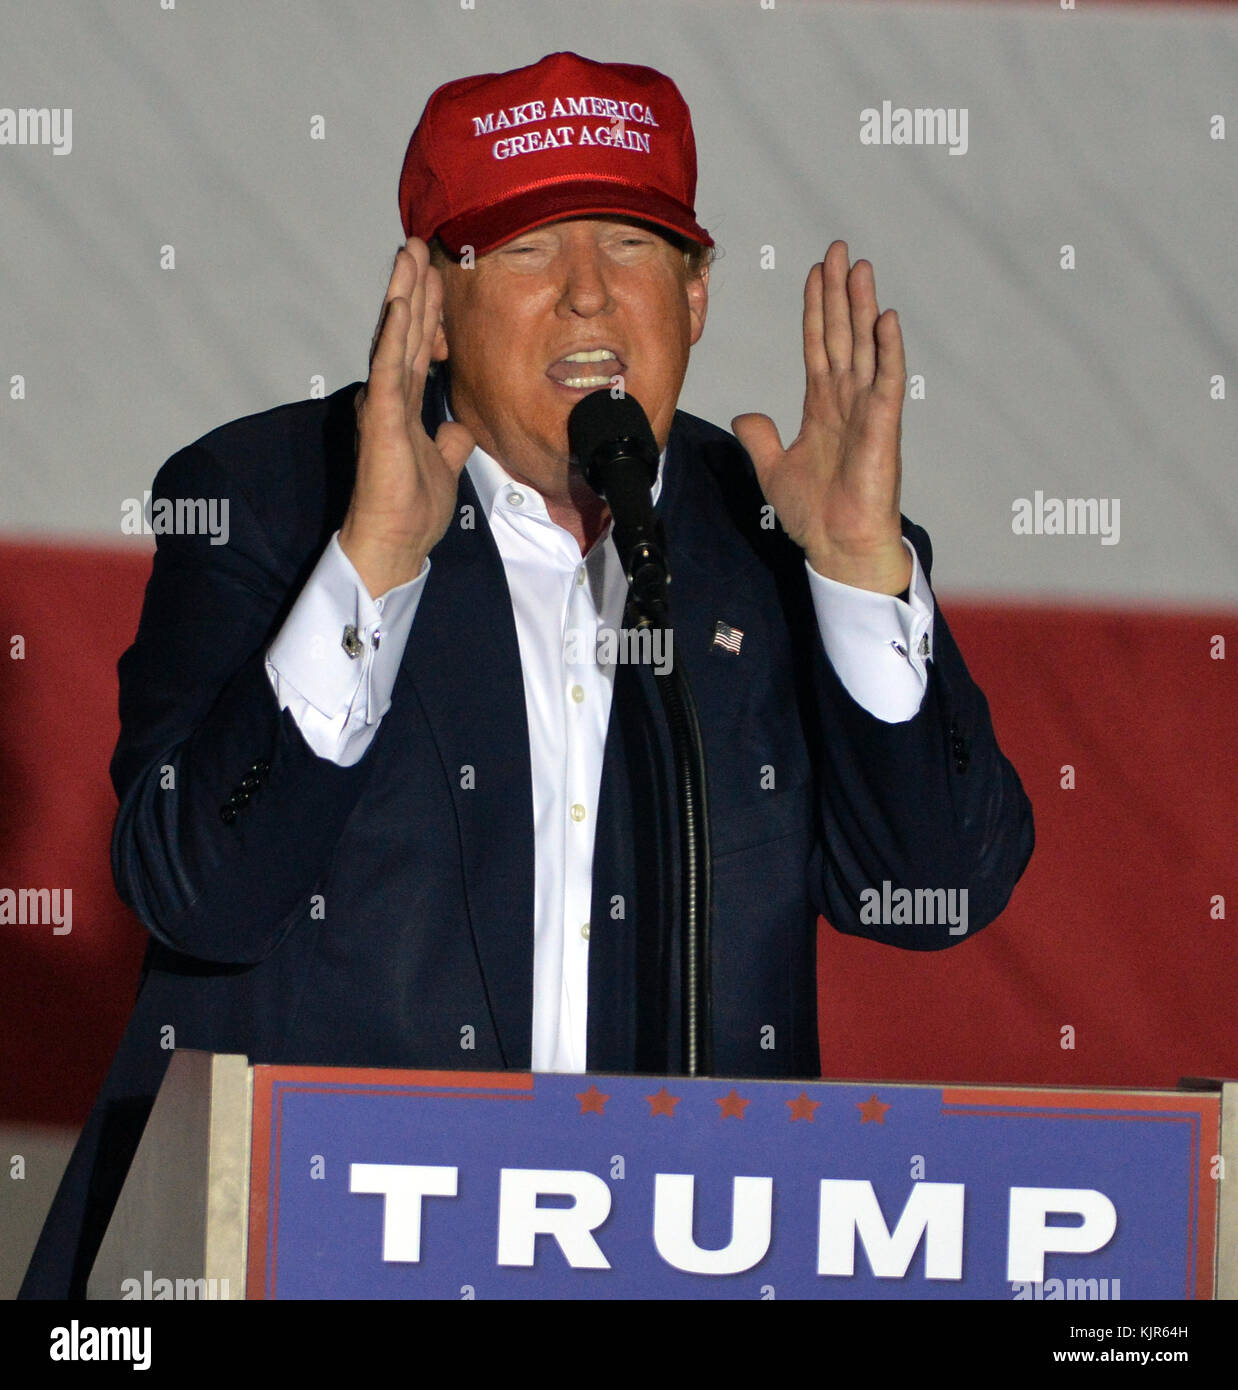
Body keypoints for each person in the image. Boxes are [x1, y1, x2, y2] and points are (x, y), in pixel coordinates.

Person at [21, 50, 1033, 1299]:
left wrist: (858, 568)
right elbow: (198, 896)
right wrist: (372, 566)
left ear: (700, 292)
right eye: (525, 251)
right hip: (310, 1259)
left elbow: (928, 892)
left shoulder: (784, 531)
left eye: (631, 244)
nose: (589, 300)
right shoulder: (268, 503)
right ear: (431, 300)